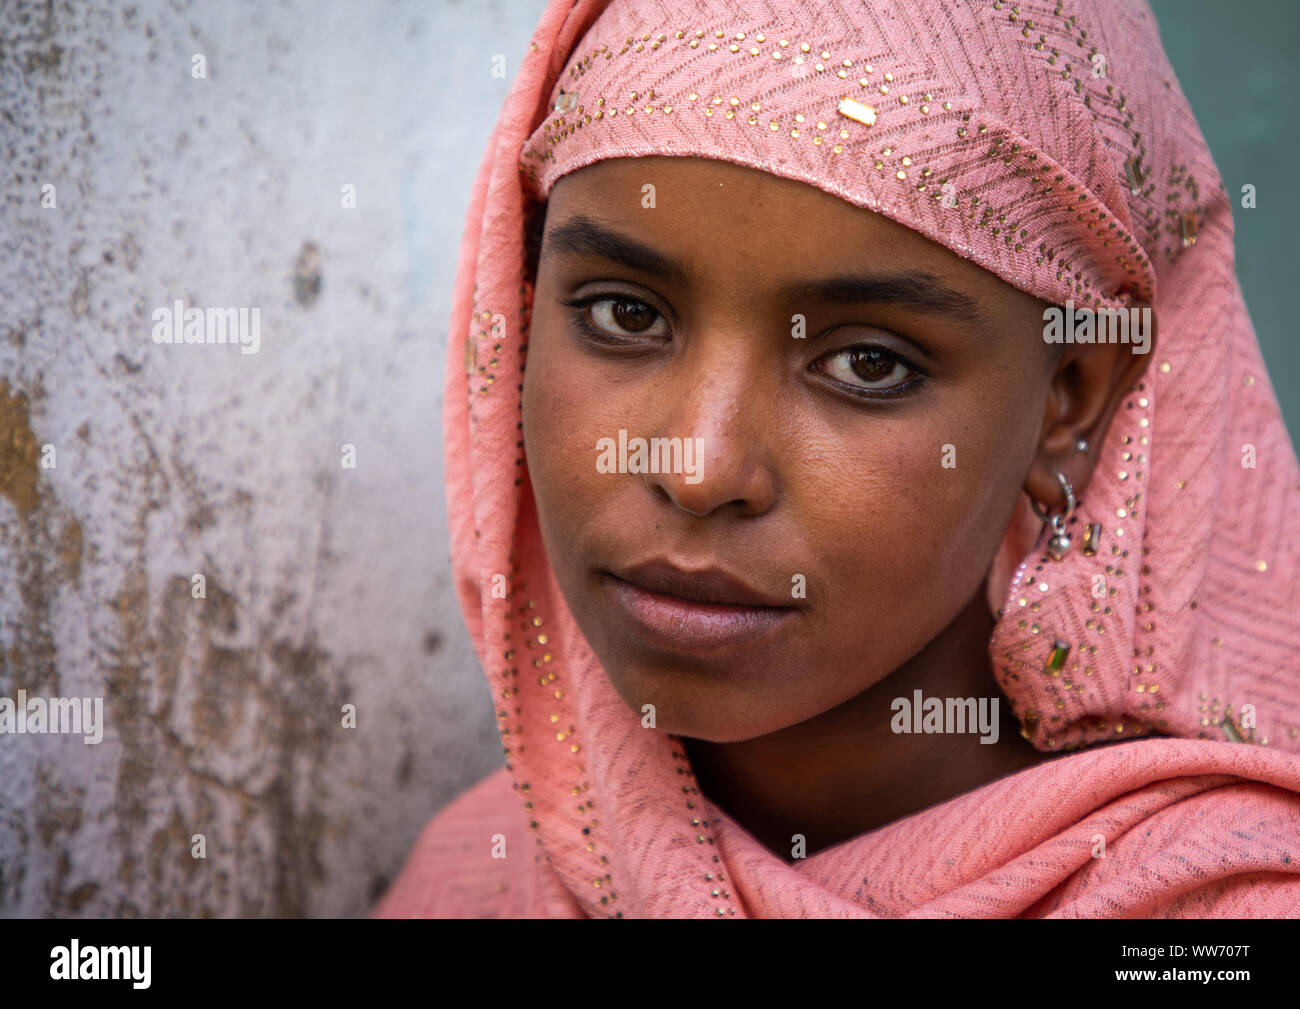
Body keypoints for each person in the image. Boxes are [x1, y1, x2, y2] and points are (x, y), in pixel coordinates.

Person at [373, 0, 1300, 917]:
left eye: (866, 363)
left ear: (1067, 404)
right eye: (626, 313)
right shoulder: (480, 878)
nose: (698, 469)